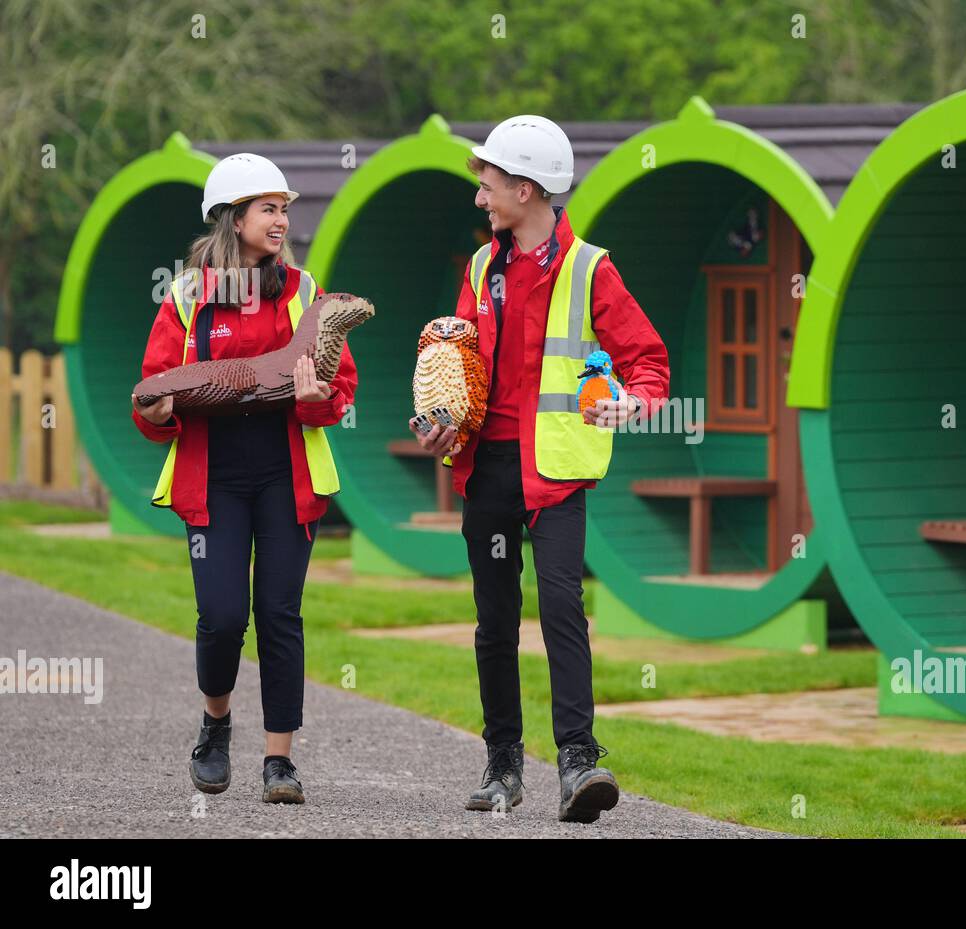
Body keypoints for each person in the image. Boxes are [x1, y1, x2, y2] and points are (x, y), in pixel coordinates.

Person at [409, 115, 670, 823]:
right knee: (495, 620)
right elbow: (455, 365)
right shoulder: (477, 268)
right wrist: (439, 420)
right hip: (486, 468)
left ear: (525, 189)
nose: (479, 197)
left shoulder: (592, 268)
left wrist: (631, 401)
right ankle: (503, 767)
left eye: (488, 184)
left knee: (561, 611)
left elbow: (648, 361)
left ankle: (579, 762)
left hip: (555, 472)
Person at [130, 153, 358, 804]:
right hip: (214, 477)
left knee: (280, 615)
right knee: (223, 616)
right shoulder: (186, 296)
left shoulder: (306, 292)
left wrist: (314, 395)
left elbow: (340, 388)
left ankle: (280, 760)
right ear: (233, 218)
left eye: (285, 208)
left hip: (287, 474)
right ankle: (215, 723)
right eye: (268, 208)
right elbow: (150, 391)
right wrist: (160, 409)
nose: (282, 219)